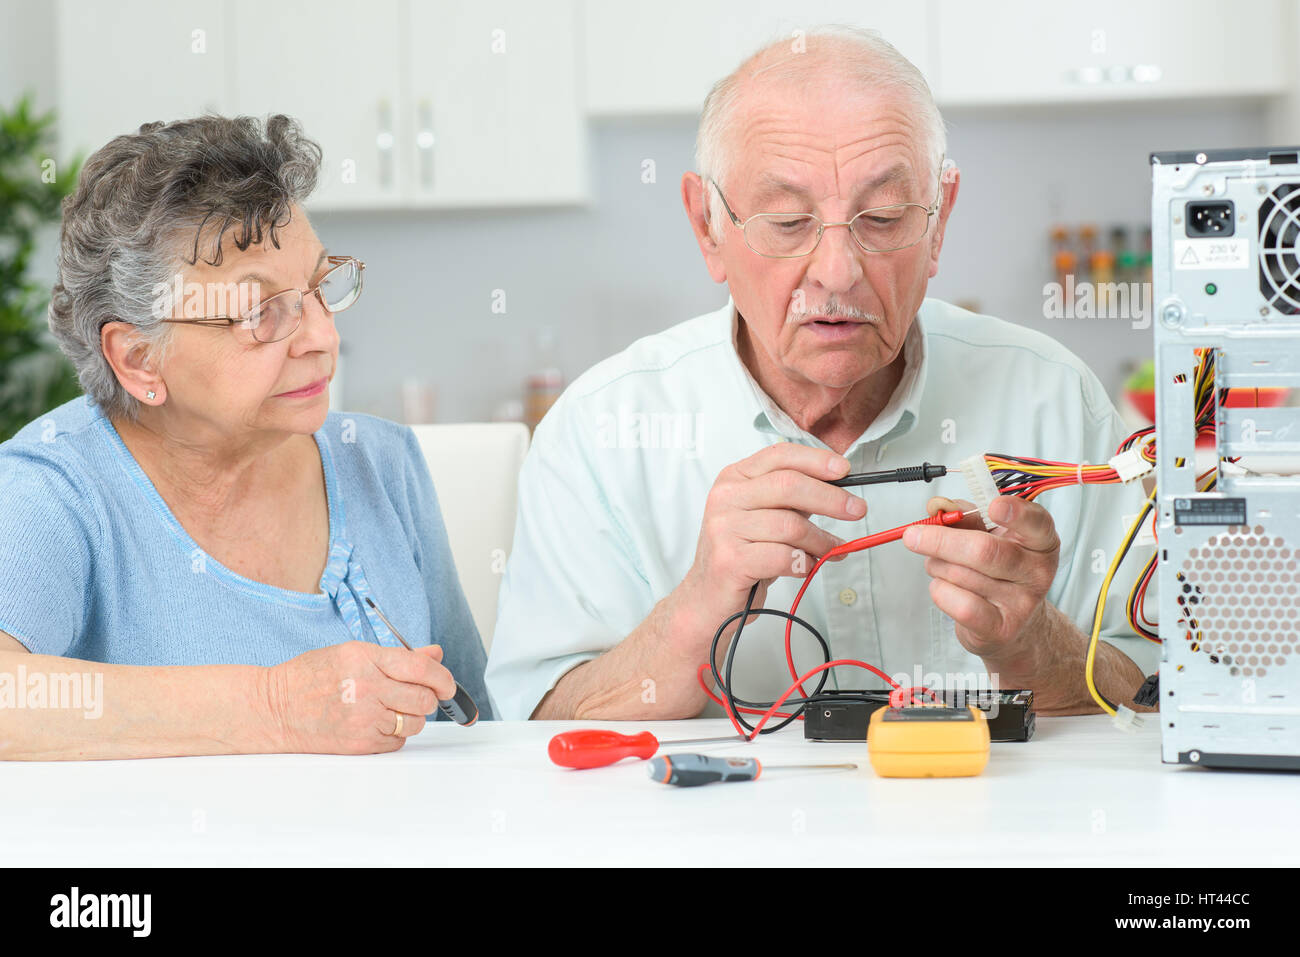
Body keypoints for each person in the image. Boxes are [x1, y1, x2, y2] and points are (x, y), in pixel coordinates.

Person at [487, 26, 1156, 722]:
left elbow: (1163, 696)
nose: (838, 273)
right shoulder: (597, 434)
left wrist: (1035, 648)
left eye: (884, 217)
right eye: (786, 222)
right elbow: (531, 734)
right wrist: (696, 609)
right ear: (707, 226)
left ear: (941, 219)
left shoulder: (1057, 404)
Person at [0, 114, 491, 760]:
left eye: (318, 287)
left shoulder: (380, 463)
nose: (320, 336)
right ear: (139, 359)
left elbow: (484, 730)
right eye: (259, 312)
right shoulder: (54, 486)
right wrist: (275, 707)